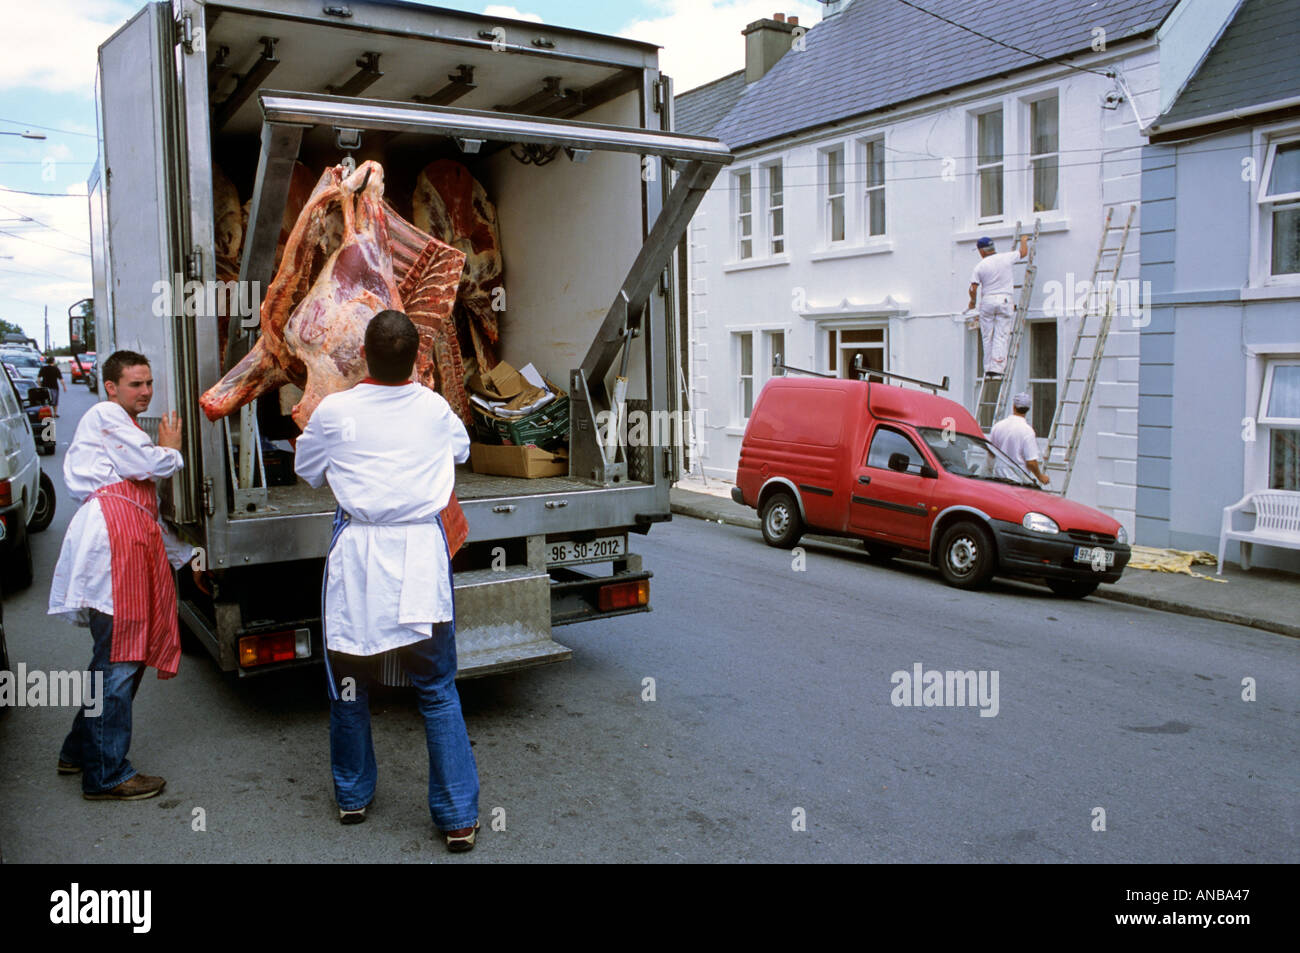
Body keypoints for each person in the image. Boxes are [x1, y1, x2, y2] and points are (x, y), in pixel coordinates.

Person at [293, 310, 480, 853]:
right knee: (438, 689)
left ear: (361, 359)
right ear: (417, 359)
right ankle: (458, 819)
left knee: (350, 686)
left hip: (360, 553)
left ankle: (353, 796)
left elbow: (307, 472)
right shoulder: (434, 408)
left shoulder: (334, 411)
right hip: (421, 553)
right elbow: (462, 451)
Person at [48, 350, 192, 800]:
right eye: (135, 384)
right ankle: (107, 774)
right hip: (113, 552)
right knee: (119, 662)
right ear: (111, 387)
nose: (146, 391)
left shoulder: (121, 426)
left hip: (124, 543)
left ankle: (78, 752)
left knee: (110, 661)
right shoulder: (105, 413)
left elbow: (143, 510)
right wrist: (171, 448)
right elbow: (146, 466)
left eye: (148, 383)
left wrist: (186, 556)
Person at [966, 234, 1029, 378]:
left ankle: (988, 369)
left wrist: (972, 302)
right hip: (1004, 300)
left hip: (987, 301)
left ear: (981, 251)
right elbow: (1023, 252)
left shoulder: (980, 266)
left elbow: (973, 288)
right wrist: (1024, 240)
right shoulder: (1006, 257)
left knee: (987, 335)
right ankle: (997, 369)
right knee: (1001, 334)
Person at [989, 392, 1049, 486]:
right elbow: (1031, 462)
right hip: (1017, 481)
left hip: (998, 479)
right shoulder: (1027, 431)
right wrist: (1040, 477)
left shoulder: (997, 427)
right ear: (1028, 409)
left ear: (1013, 406)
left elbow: (991, 453)